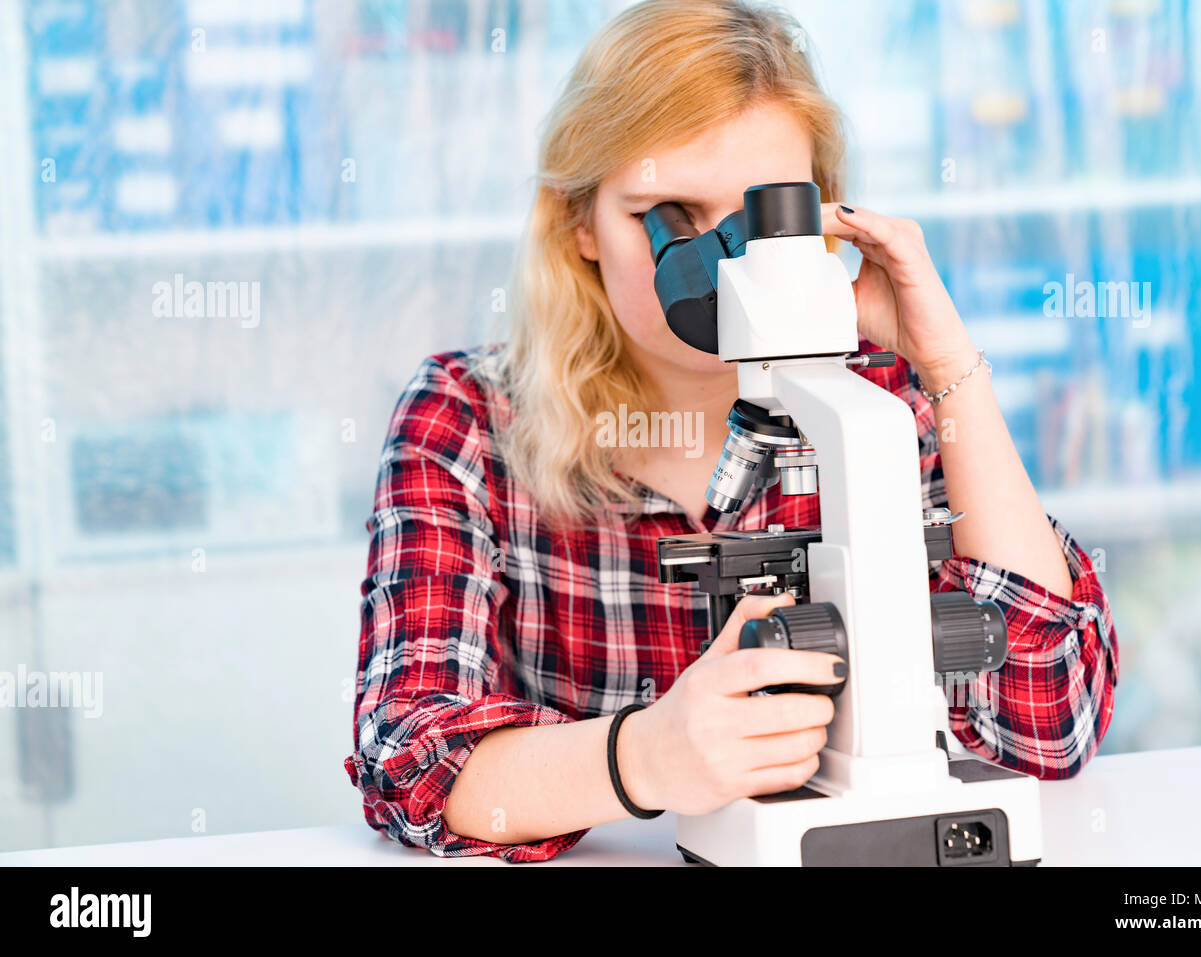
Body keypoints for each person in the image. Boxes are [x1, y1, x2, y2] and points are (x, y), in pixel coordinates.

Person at [344, 0, 1118, 862]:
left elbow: (1055, 716)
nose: (722, 265)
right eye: (669, 211)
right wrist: (645, 756)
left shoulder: (884, 403)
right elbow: (409, 758)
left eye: (757, 218)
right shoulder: (466, 418)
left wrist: (947, 366)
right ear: (578, 223)